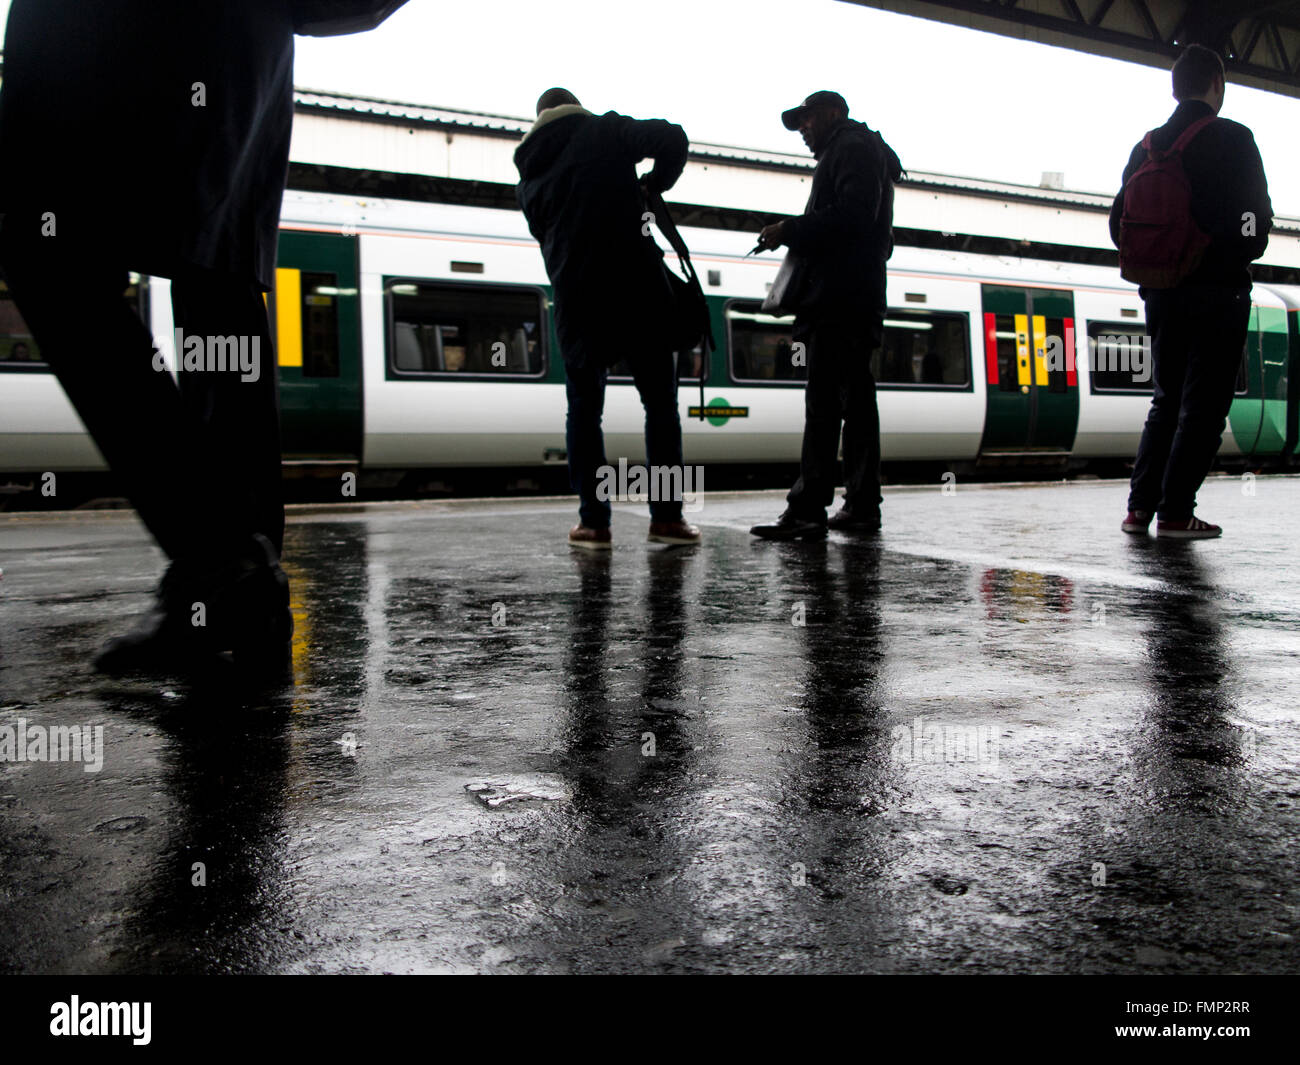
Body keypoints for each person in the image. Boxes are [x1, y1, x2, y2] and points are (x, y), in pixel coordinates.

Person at [0, 1, 407, 675]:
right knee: (218, 282)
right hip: (233, 41)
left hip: (124, 32)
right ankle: (243, 588)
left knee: (48, 249)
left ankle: (225, 567)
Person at [514, 87, 701, 550]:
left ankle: (594, 523)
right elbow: (673, 139)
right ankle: (667, 519)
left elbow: (549, 237)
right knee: (659, 407)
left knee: (583, 412)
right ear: (575, 106)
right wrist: (653, 184)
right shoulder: (606, 131)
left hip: (577, 304)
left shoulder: (529, 178)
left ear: (539, 119)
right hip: (638, 291)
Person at [1112, 44, 1271, 539]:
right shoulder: (1233, 138)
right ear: (1217, 86)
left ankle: (1140, 510)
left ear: (1175, 88)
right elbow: (1253, 214)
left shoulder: (1148, 146)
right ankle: (1177, 511)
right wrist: (1243, 243)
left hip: (1160, 292)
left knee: (1166, 399)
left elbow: (1120, 221)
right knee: (1203, 405)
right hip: (1217, 291)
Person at [749, 91, 902, 541]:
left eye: (807, 120)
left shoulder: (851, 148)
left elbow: (855, 217)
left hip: (841, 302)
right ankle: (860, 506)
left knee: (823, 405)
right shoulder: (857, 148)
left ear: (833, 113)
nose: (803, 130)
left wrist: (791, 229)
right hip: (854, 298)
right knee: (855, 406)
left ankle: (808, 510)